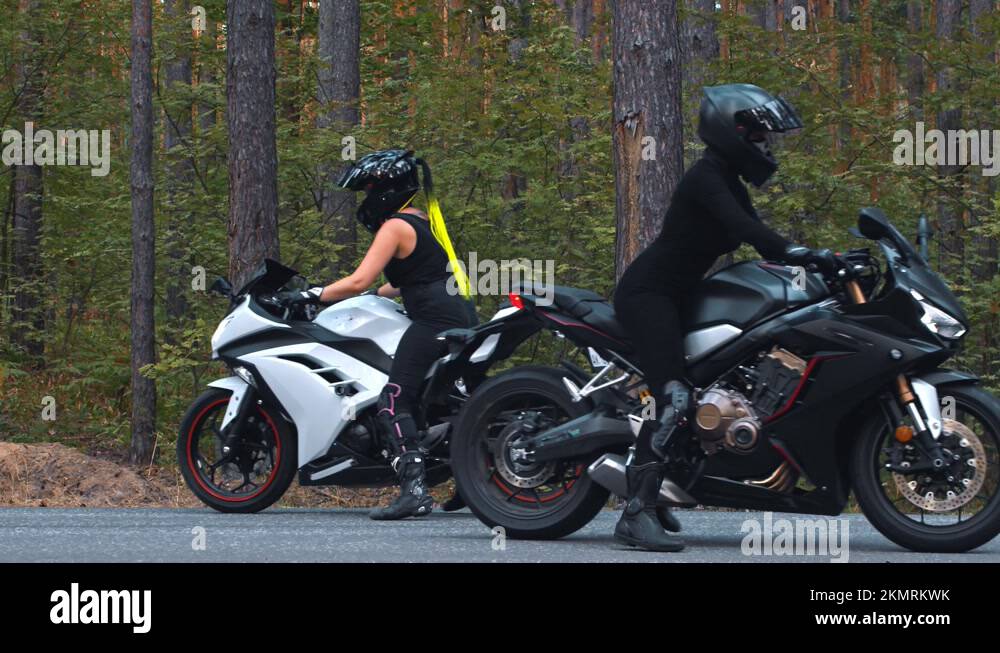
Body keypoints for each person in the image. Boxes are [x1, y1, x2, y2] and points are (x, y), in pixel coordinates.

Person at [611, 84, 836, 551]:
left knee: (709, 385)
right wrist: (804, 253)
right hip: (649, 295)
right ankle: (634, 514)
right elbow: (747, 231)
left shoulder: (727, 178)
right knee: (672, 395)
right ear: (733, 133)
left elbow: (761, 235)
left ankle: (663, 487)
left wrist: (819, 260)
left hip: (681, 295)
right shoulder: (706, 177)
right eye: (757, 136)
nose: (763, 146)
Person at [282, 149, 476, 520]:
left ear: (386, 189)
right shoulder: (418, 220)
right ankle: (472, 481)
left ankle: (414, 491)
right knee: (450, 402)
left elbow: (359, 279)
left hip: (434, 321)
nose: (367, 198)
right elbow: (410, 280)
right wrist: (372, 296)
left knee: (393, 400)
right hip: (456, 314)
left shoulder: (394, 227)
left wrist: (311, 295)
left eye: (369, 189)